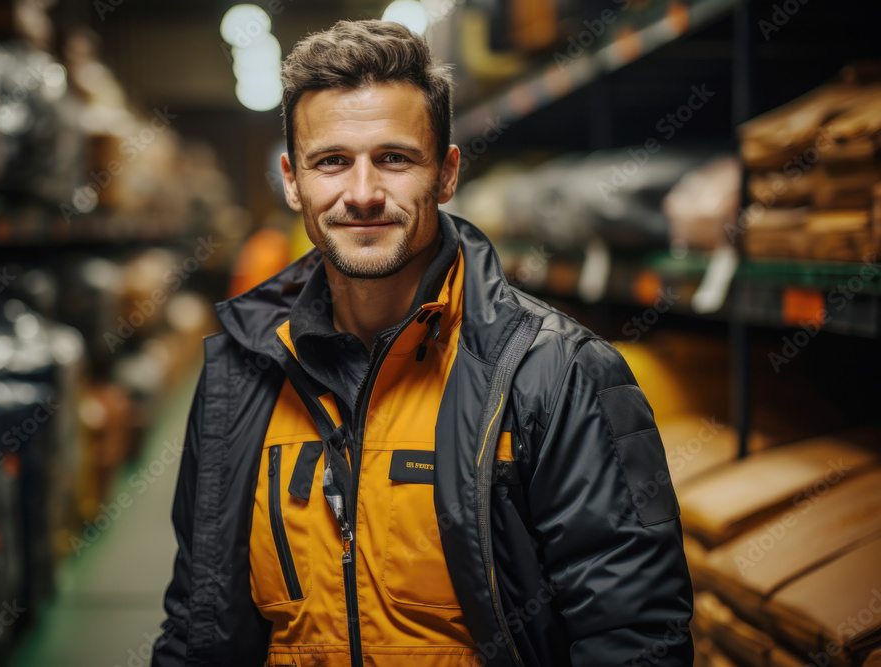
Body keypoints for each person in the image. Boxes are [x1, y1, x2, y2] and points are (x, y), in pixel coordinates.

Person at [151, 19, 693, 667]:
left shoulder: (554, 373)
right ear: (294, 181)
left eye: (395, 158)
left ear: (446, 173)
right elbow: (195, 620)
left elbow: (634, 635)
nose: (362, 193)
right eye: (332, 162)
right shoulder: (238, 377)